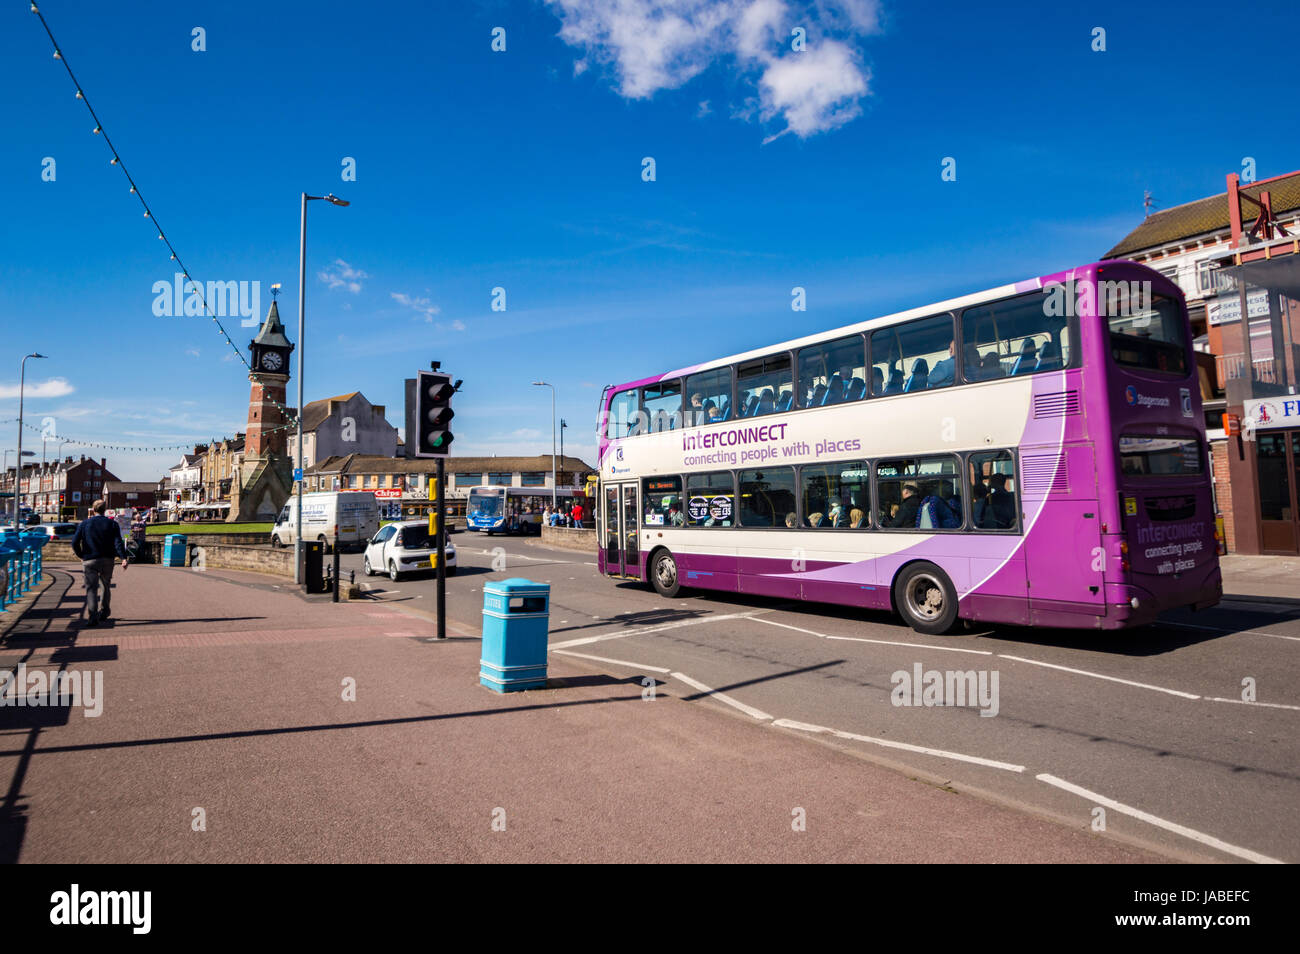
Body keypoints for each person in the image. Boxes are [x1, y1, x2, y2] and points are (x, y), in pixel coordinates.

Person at [72, 498, 130, 627]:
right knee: (105, 585)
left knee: (91, 589)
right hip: (107, 559)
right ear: (105, 510)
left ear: (93, 510)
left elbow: (74, 542)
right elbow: (118, 543)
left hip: (89, 559)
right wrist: (123, 558)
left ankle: (92, 617)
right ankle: (104, 611)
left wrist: (81, 555)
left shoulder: (84, 524)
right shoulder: (112, 524)